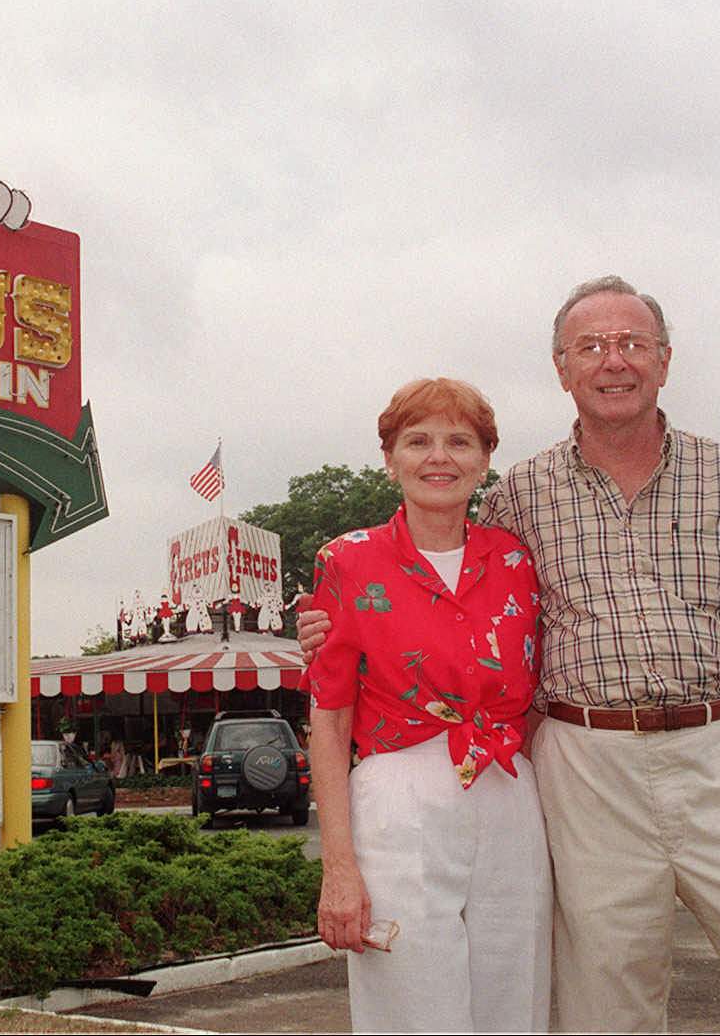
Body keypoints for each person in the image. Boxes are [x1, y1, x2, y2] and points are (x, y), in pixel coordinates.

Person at [301, 277, 720, 1034]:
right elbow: (435, 594)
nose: (614, 362)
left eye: (632, 344)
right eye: (590, 347)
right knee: (609, 997)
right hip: (586, 766)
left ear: (664, 361)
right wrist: (328, 623)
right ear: (562, 369)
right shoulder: (522, 496)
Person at [305, 378, 552, 1033]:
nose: (438, 457)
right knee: (412, 1008)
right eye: (418, 441)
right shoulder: (347, 563)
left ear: (484, 459)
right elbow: (328, 722)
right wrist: (339, 870)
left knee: (515, 997)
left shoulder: (515, 561)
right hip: (399, 793)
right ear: (391, 459)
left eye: (458, 441)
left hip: (506, 786)